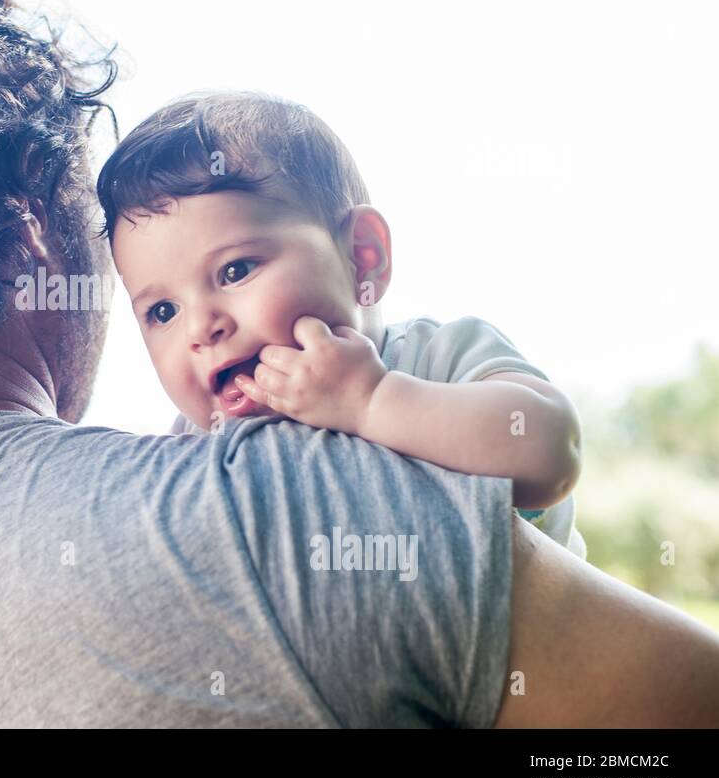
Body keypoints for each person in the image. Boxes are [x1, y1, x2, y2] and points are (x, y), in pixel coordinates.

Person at [0, 0, 719, 728]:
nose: (199, 324)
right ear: (39, 222)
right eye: (153, 302)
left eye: (231, 271)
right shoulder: (288, 501)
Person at [97, 91, 585, 556]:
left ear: (361, 257)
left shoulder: (435, 358)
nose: (202, 328)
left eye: (235, 270)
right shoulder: (194, 446)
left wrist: (372, 403)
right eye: (164, 312)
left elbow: (550, 450)